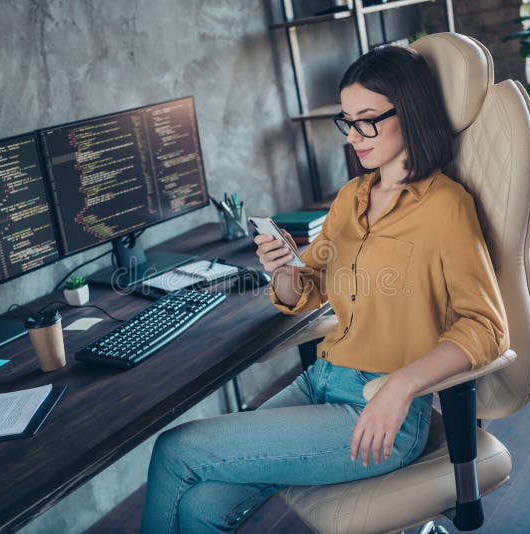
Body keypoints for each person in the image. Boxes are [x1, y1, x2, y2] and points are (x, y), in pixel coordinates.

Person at [140, 44, 510, 533]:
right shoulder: (351, 197)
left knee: (175, 448)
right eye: (347, 121)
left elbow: (486, 326)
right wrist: (282, 270)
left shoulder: (445, 205)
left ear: (411, 112)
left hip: (381, 407)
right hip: (319, 382)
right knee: (201, 506)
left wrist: (401, 385)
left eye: (367, 120)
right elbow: (308, 289)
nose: (355, 136)